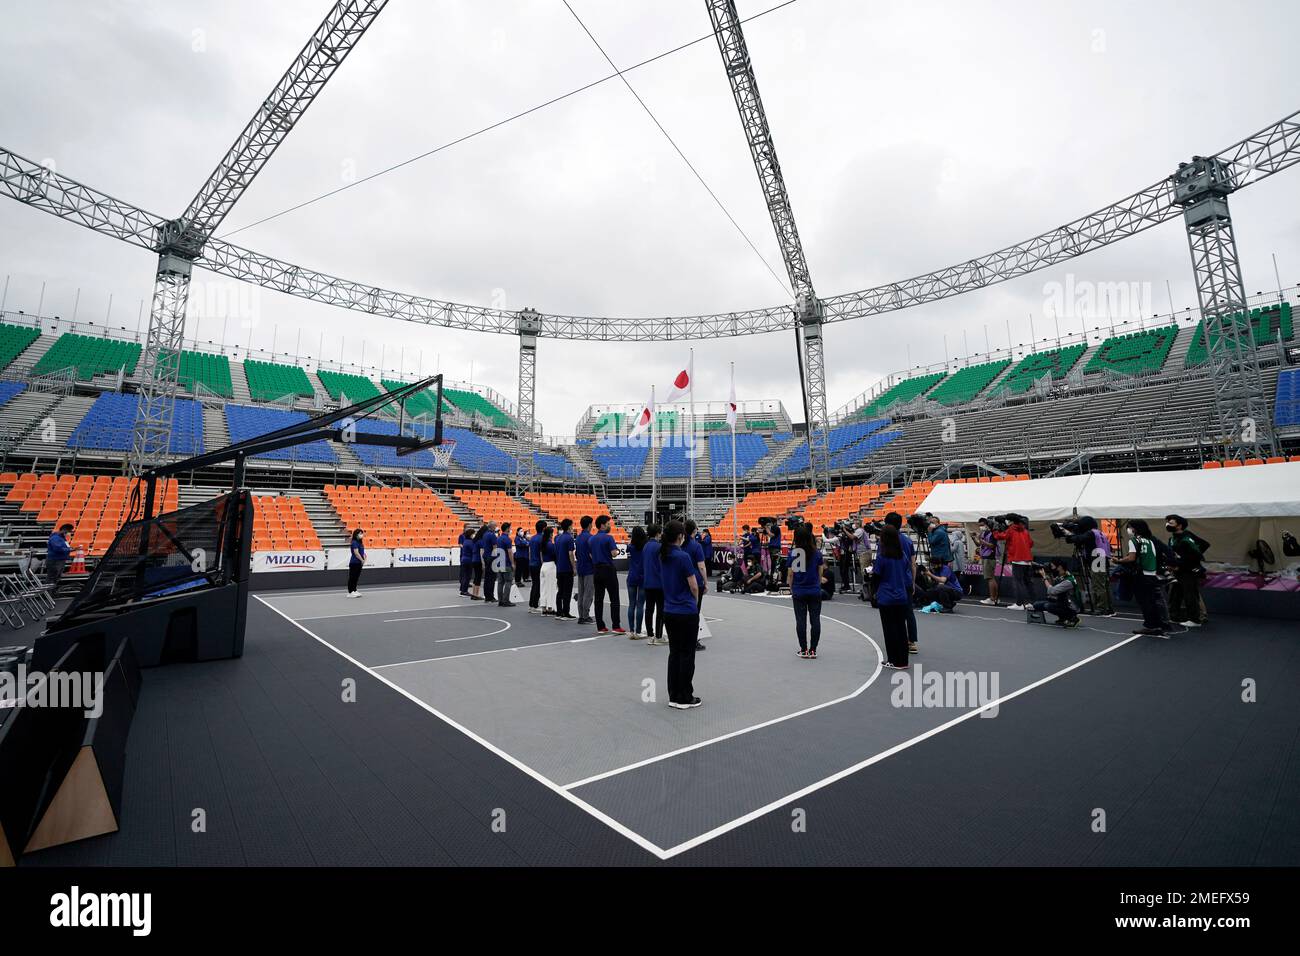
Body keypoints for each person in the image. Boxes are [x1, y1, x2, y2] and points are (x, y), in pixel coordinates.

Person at [659, 520, 702, 709]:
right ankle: (685, 696)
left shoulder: (663, 555)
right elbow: (693, 585)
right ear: (680, 536)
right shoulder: (683, 557)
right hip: (685, 610)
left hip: (669, 609)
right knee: (687, 654)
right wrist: (694, 601)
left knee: (674, 653)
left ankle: (674, 694)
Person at [1118, 519, 1184, 637]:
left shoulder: (1139, 540)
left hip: (1146, 573)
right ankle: (1162, 623)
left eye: (1130, 527)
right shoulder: (1151, 540)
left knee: (1150, 601)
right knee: (1156, 599)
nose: (1128, 529)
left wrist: (1119, 561)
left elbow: (1132, 558)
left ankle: (1155, 624)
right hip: (1153, 572)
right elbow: (1167, 552)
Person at [872, 525, 913, 668]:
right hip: (901, 595)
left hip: (886, 596)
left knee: (889, 629)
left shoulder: (882, 557)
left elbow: (877, 576)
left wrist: (874, 592)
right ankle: (903, 660)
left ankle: (892, 659)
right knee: (901, 628)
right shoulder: (903, 556)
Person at [787, 522, 826, 658]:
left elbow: (790, 574)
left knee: (800, 620)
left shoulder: (794, 553)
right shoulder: (816, 553)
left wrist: (791, 587)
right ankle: (813, 649)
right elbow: (820, 570)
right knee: (815, 620)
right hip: (814, 589)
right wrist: (817, 582)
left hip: (799, 590)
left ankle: (803, 649)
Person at [1166, 514, 1208, 627]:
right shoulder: (1172, 538)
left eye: (1171, 523)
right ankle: (1175, 617)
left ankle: (1195, 619)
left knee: (1190, 595)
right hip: (1177, 571)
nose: (1167, 524)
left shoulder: (1187, 537)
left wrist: (1184, 561)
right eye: (1167, 522)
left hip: (1188, 570)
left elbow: (1202, 547)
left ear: (1179, 526)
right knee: (1176, 594)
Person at [993, 515, 1036, 610]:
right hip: (1027, 560)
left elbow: (1000, 536)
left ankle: (1019, 604)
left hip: (1017, 559)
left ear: (1011, 521)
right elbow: (1031, 543)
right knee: (1028, 583)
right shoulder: (1025, 530)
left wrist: (995, 530)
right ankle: (1034, 603)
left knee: (1018, 583)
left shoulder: (1011, 529)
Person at [590, 515, 624, 633]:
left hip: (597, 570)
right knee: (614, 598)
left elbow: (590, 554)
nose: (610, 526)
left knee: (598, 599)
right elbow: (614, 553)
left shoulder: (591, 539)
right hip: (608, 569)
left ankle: (600, 626)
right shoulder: (609, 538)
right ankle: (616, 625)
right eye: (608, 524)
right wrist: (617, 551)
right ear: (602, 525)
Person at [1032, 559, 1080, 627]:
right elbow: (1053, 586)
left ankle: (1072, 617)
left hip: (1071, 607)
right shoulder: (1061, 576)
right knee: (1036, 605)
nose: (1051, 568)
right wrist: (1047, 578)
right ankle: (1063, 617)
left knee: (1048, 606)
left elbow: (1052, 591)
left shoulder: (1068, 581)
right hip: (1062, 602)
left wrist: (1044, 578)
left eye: (1052, 566)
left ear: (1060, 567)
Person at [684, 519, 708, 650]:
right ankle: (693, 640)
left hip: (682, 580)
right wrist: (705, 582)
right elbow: (702, 566)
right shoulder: (696, 546)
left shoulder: (680, 544)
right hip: (695, 581)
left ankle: (683, 638)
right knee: (695, 612)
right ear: (694, 531)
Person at [643, 524, 665, 643]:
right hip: (658, 582)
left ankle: (650, 635)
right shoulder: (659, 546)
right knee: (660, 610)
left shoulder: (645, 546)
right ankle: (659, 636)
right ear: (657, 533)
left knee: (649, 609)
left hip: (648, 582)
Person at [626, 526, 647, 638]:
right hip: (643, 576)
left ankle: (631, 630)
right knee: (640, 605)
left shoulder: (631, 547)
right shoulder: (645, 547)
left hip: (632, 576)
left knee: (631, 604)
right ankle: (638, 631)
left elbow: (628, 547)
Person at [554, 518, 576, 620]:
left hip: (559, 567)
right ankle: (566, 612)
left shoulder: (557, 538)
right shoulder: (569, 538)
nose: (573, 527)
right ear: (569, 527)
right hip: (567, 568)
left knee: (560, 591)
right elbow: (570, 554)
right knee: (567, 591)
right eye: (572, 525)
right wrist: (574, 567)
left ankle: (559, 612)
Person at [575, 516, 596, 625]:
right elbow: (592, 554)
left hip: (580, 566)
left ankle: (581, 615)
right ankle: (585, 616)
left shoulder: (578, 537)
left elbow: (577, 553)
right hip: (589, 568)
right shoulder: (590, 538)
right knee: (588, 593)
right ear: (589, 525)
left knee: (582, 592)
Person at [976, 518, 1001, 606]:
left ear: (987, 524)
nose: (981, 527)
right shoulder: (984, 533)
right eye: (979, 525)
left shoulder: (992, 534)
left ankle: (992, 598)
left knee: (990, 578)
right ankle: (995, 598)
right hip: (986, 556)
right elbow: (979, 544)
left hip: (989, 557)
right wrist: (974, 538)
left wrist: (981, 540)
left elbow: (992, 546)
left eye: (982, 524)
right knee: (991, 578)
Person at [538, 525, 558, 616]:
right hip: (550, 565)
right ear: (550, 534)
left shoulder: (543, 543)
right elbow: (555, 555)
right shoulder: (550, 544)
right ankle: (550, 608)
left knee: (543, 588)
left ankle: (543, 608)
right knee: (551, 588)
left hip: (544, 565)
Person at [495, 522, 516, 607]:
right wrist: (512, 563)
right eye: (510, 528)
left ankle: (500, 600)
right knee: (508, 581)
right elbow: (510, 552)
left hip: (499, 562)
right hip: (506, 562)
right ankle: (506, 600)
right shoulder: (507, 539)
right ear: (507, 529)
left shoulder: (498, 538)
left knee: (500, 582)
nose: (511, 529)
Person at [527, 519, 546, 613]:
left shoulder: (533, 538)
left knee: (534, 584)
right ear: (544, 528)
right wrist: (543, 564)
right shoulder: (542, 539)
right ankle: (534, 605)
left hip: (532, 563)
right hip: (539, 564)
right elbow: (541, 553)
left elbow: (530, 552)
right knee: (538, 585)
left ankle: (531, 604)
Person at [480, 521, 498, 604]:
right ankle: (491, 596)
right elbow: (495, 548)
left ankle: (487, 596)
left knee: (487, 578)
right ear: (493, 527)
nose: (496, 527)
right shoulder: (492, 535)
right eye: (495, 526)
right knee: (492, 578)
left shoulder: (485, 534)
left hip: (486, 556)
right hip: (491, 558)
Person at [345, 528, 366, 597]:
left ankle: (354, 590)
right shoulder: (354, 542)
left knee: (356, 577)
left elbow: (362, 552)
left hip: (359, 563)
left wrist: (365, 557)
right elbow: (356, 553)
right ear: (356, 535)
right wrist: (362, 560)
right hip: (354, 562)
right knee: (352, 577)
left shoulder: (360, 543)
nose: (361, 535)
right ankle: (350, 592)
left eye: (362, 533)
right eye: (360, 533)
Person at [458, 524, 477, 596]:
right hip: (468, 560)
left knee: (465, 575)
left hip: (464, 559)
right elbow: (474, 550)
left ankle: (462, 589)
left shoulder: (466, 541)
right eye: (473, 534)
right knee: (467, 576)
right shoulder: (470, 542)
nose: (474, 535)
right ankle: (464, 591)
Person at [469, 525, 486, 600]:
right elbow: (481, 552)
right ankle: (476, 595)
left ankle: (474, 594)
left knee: (476, 577)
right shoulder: (481, 541)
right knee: (478, 578)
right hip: (479, 560)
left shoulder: (475, 540)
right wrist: (483, 563)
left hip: (474, 560)